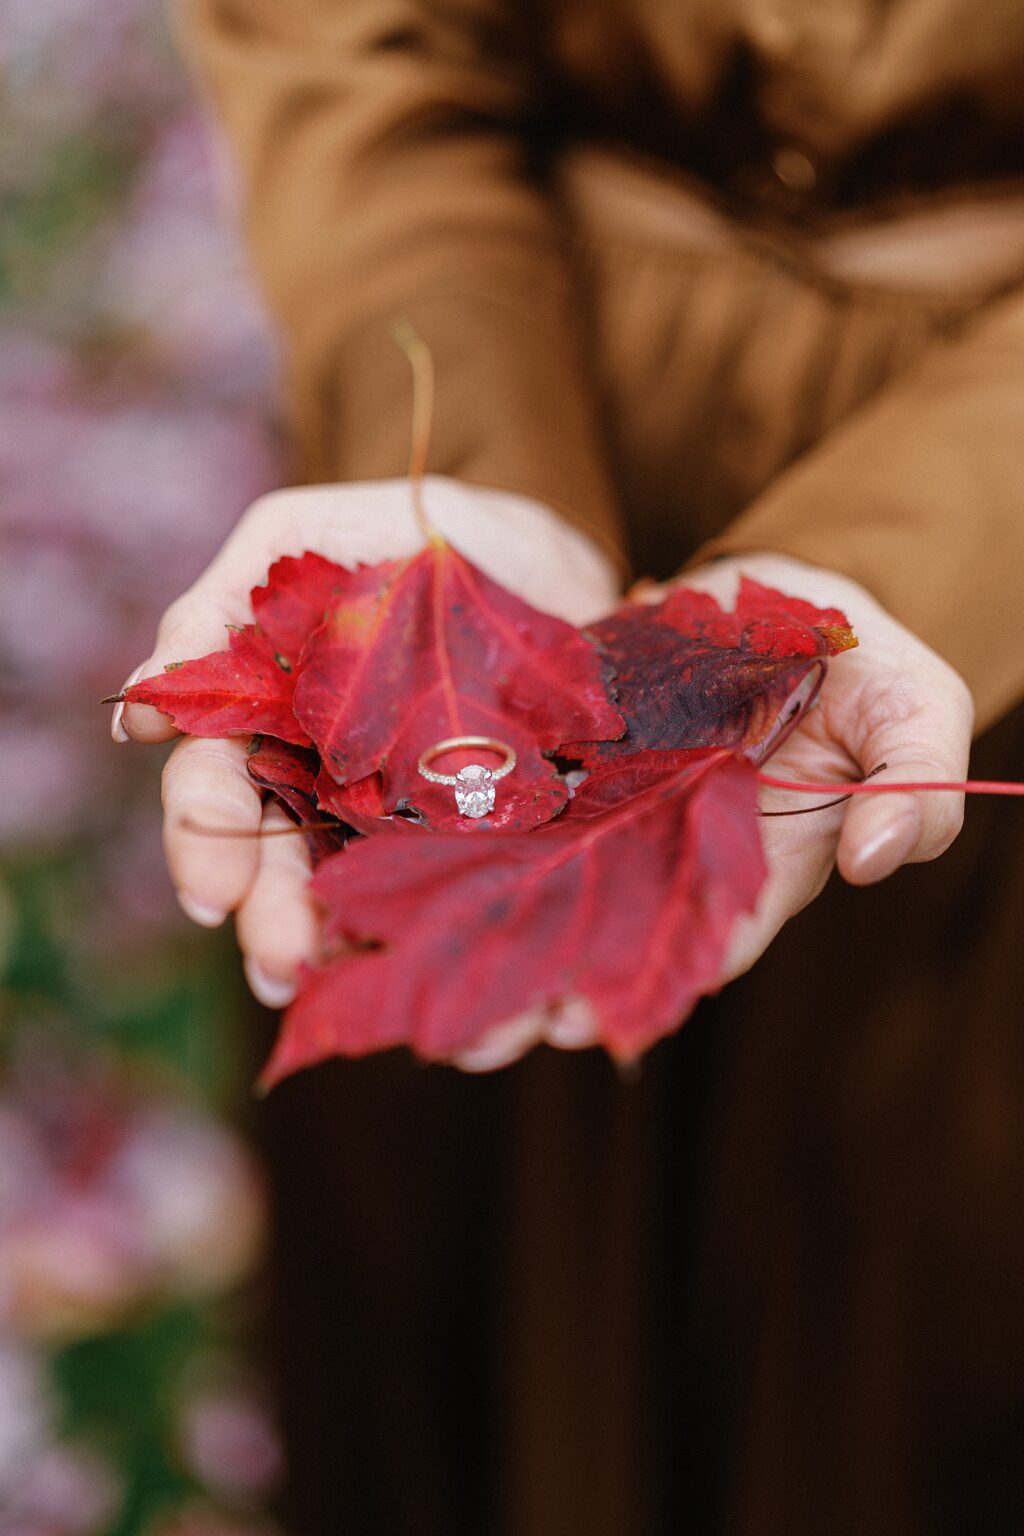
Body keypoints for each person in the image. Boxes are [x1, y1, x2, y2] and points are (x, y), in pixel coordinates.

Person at [113, 2, 1024, 1532]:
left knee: (913, 1313)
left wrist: (901, 555)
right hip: (506, 390)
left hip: (986, 531)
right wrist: (469, 464)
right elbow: (353, 50)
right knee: (454, 1297)